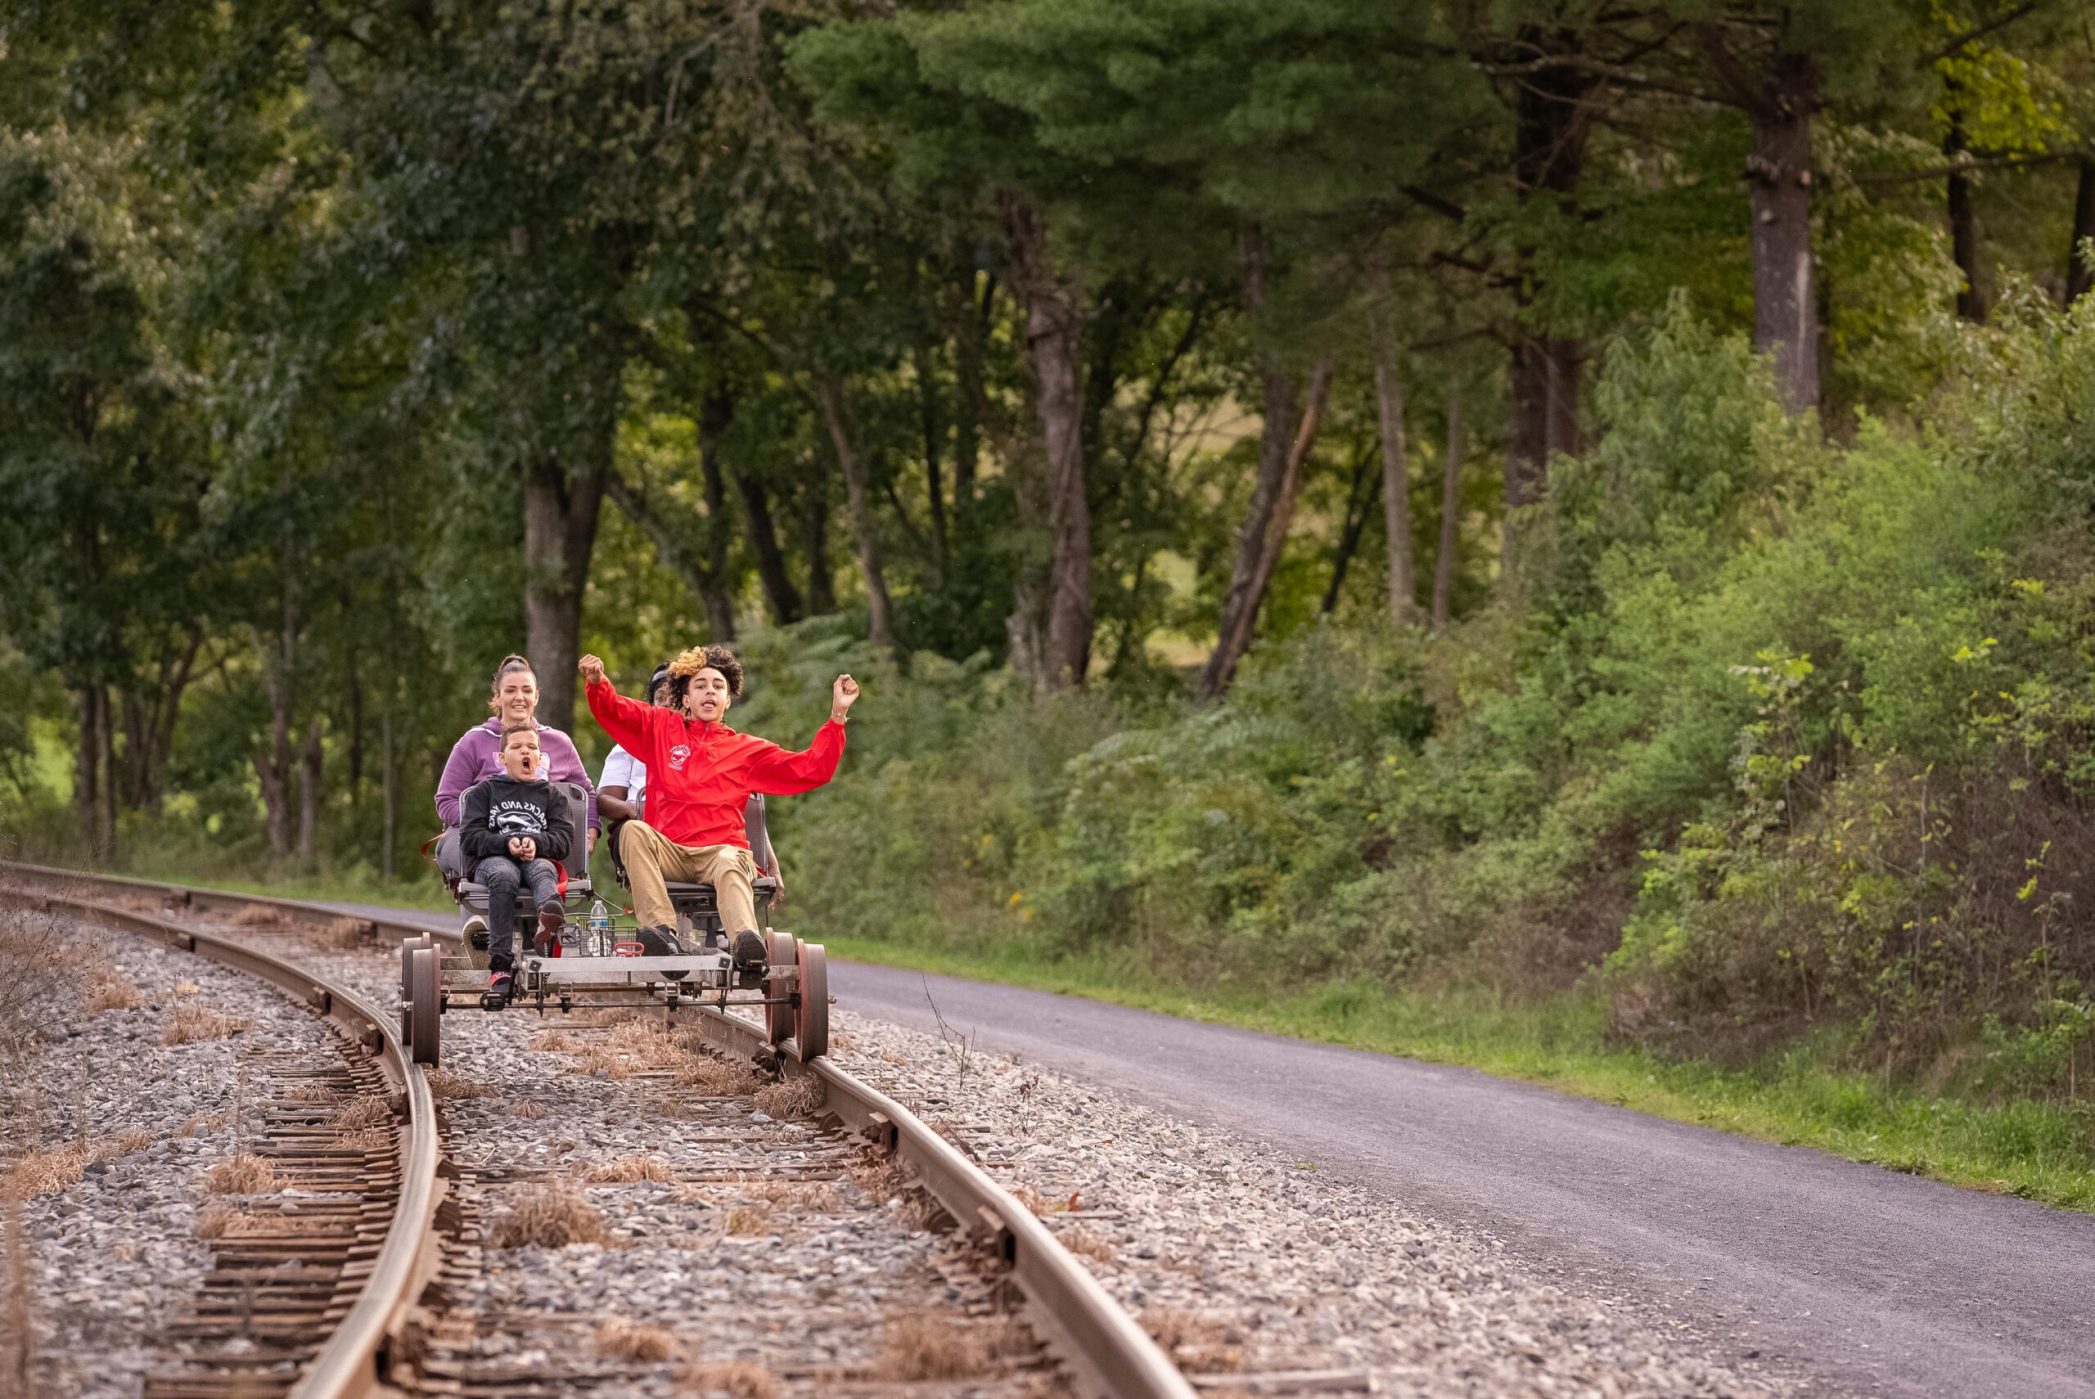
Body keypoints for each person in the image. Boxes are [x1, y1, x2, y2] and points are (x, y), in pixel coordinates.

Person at [579, 645, 857, 981]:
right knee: (632, 830)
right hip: (671, 850)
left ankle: (746, 945)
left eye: (718, 686)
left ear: (727, 701)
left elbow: (811, 768)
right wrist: (598, 683)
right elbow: (616, 712)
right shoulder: (661, 728)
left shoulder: (746, 749)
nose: (709, 691)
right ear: (685, 699)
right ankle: (661, 935)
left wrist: (837, 715)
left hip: (720, 852)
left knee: (729, 859)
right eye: (700, 685)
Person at [434, 654, 599, 937]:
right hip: (484, 838)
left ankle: (547, 929)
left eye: (526, 690)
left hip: (539, 840)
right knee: (472, 850)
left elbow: (585, 792)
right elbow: (446, 800)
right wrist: (489, 825)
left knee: (549, 855)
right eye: (510, 690)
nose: (519, 697)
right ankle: (480, 931)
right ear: (497, 697)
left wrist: (591, 829)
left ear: (537, 696)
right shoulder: (474, 741)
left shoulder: (559, 743)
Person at [457, 722, 575, 1006]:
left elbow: (563, 839)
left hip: (535, 858)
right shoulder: (484, 792)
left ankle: (547, 928)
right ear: (501, 758)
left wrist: (537, 843)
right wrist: (506, 843)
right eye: (517, 747)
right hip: (493, 861)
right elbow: (470, 838)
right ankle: (500, 964)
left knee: (544, 870)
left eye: (532, 747)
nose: (526, 752)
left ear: (540, 757)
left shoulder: (551, 795)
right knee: (504, 875)